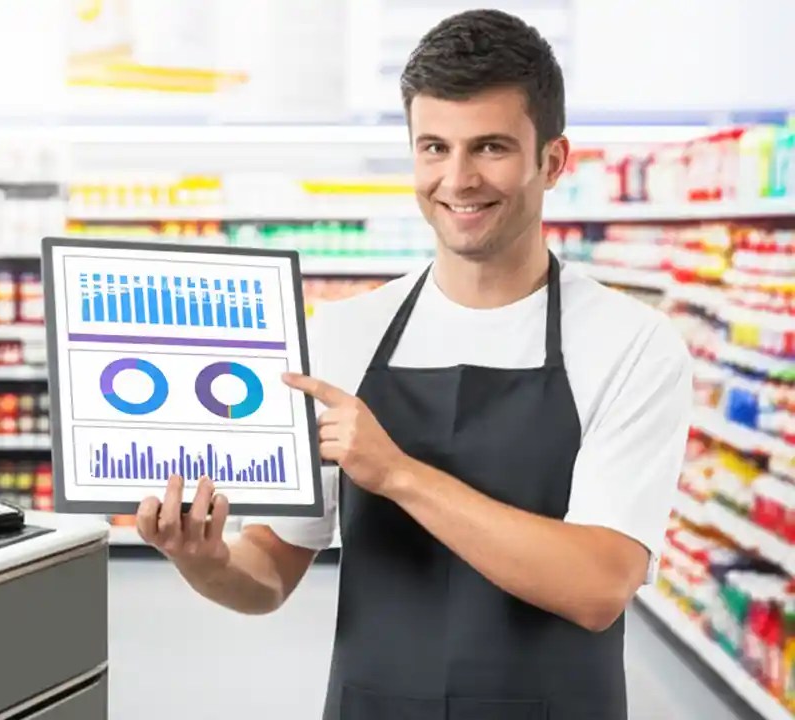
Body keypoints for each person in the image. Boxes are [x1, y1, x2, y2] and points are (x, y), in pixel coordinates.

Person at [134, 8, 693, 720]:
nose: (457, 179)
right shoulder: (344, 333)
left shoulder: (630, 343)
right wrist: (202, 557)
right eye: (433, 147)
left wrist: (395, 472)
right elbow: (270, 572)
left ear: (551, 160)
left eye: (490, 147)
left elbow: (598, 585)